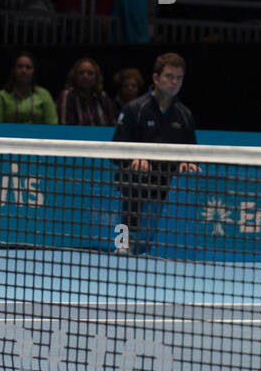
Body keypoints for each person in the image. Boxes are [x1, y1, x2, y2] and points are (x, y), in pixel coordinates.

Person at [110, 53, 198, 255]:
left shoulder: (185, 115)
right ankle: (122, 241)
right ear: (156, 78)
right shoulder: (134, 109)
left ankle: (160, 246)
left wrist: (187, 162)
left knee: (146, 246)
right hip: (135, 181)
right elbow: (114, 152)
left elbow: (192, 152)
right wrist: (134, 157)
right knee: (133, 182)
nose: (174, 82)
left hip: (165, 183)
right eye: (169, 76)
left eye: (179, 78)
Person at [0, 52, 58, 125]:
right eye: (20, 66)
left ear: (33, 71)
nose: (24, 71)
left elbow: (52, 124)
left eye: (28, 67)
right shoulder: (2, 96)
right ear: (13, 70)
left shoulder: (44, 94)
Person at [57, 57, 118, 126]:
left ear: (96, 76)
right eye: (81, 73)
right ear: (74, 76)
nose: (85, 76)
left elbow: (113, 124)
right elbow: (65, 125)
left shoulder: (103, 96)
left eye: (90, 73)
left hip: (103, 136)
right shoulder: (67, 95)